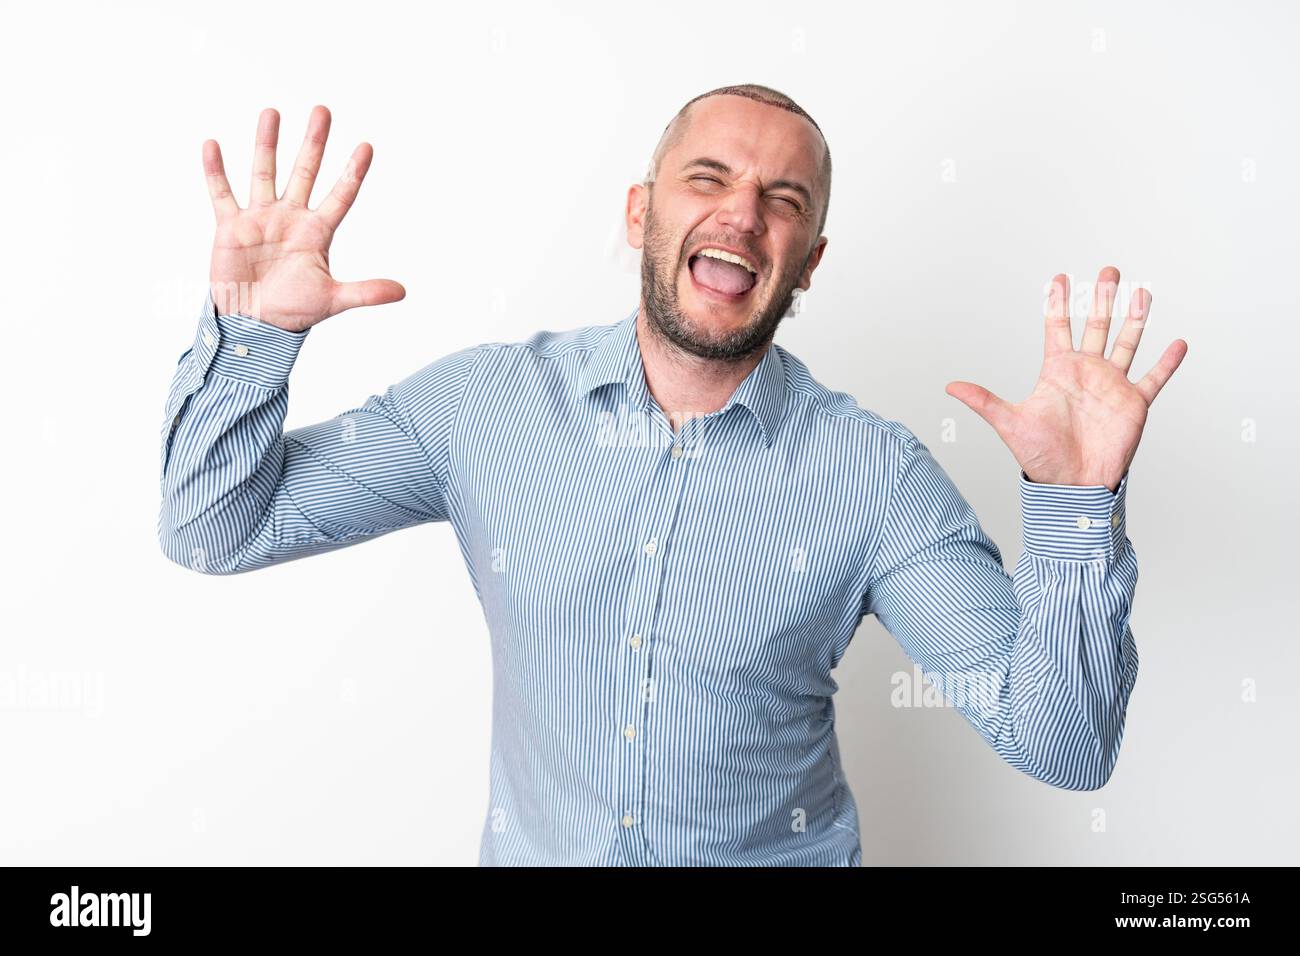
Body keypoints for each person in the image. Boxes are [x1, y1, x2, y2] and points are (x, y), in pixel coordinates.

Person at [158, 84, 1187, 866]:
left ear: (809, 258)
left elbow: (1063, 745)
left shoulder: (875, 478)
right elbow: (216, 530)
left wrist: (1074, 502)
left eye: (781, 200)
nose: (742, 215)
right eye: (709, 179)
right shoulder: (482, 407)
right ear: (641, 210)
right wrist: (250, 339)